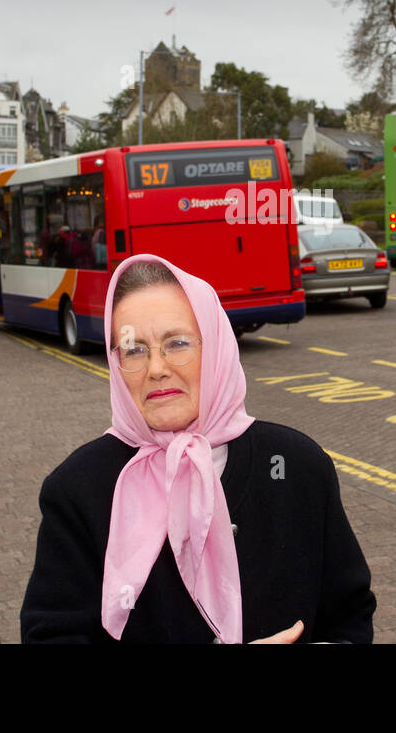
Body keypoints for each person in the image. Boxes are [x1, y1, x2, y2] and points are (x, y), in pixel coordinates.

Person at [20, 254, 375, 643]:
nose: (156, 368)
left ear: (217, 346)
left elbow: (349, 618)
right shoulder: (78, 490)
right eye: (134, 350)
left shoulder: (300, 466)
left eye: (177, 343)